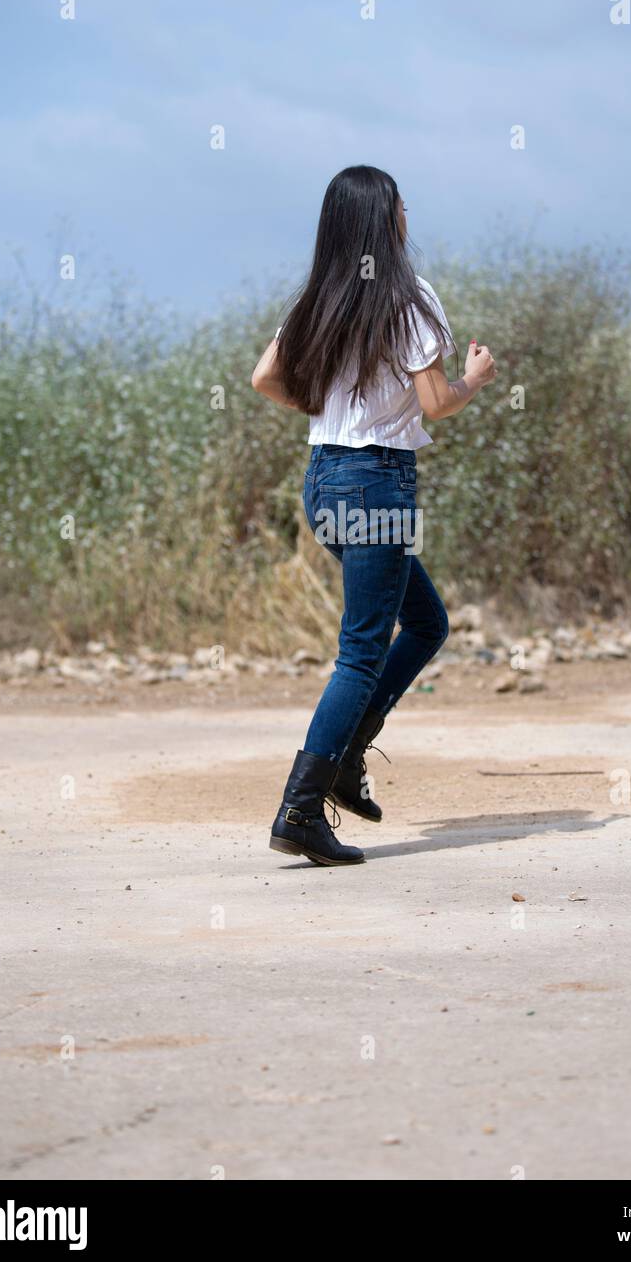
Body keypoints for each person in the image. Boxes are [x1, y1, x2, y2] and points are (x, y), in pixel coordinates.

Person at [251, 165, 497, 865]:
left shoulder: (316, 299)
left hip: (325, 481)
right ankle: (301, 807)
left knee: (425, 622)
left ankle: (349, 753)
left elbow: (264, 378)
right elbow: (436, 404)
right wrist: (475, 378)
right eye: (401, 207)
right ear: (385, 222)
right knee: (361, 651)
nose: (407, 216)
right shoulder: (409, 297)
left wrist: (333, 421)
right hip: (377, 485)